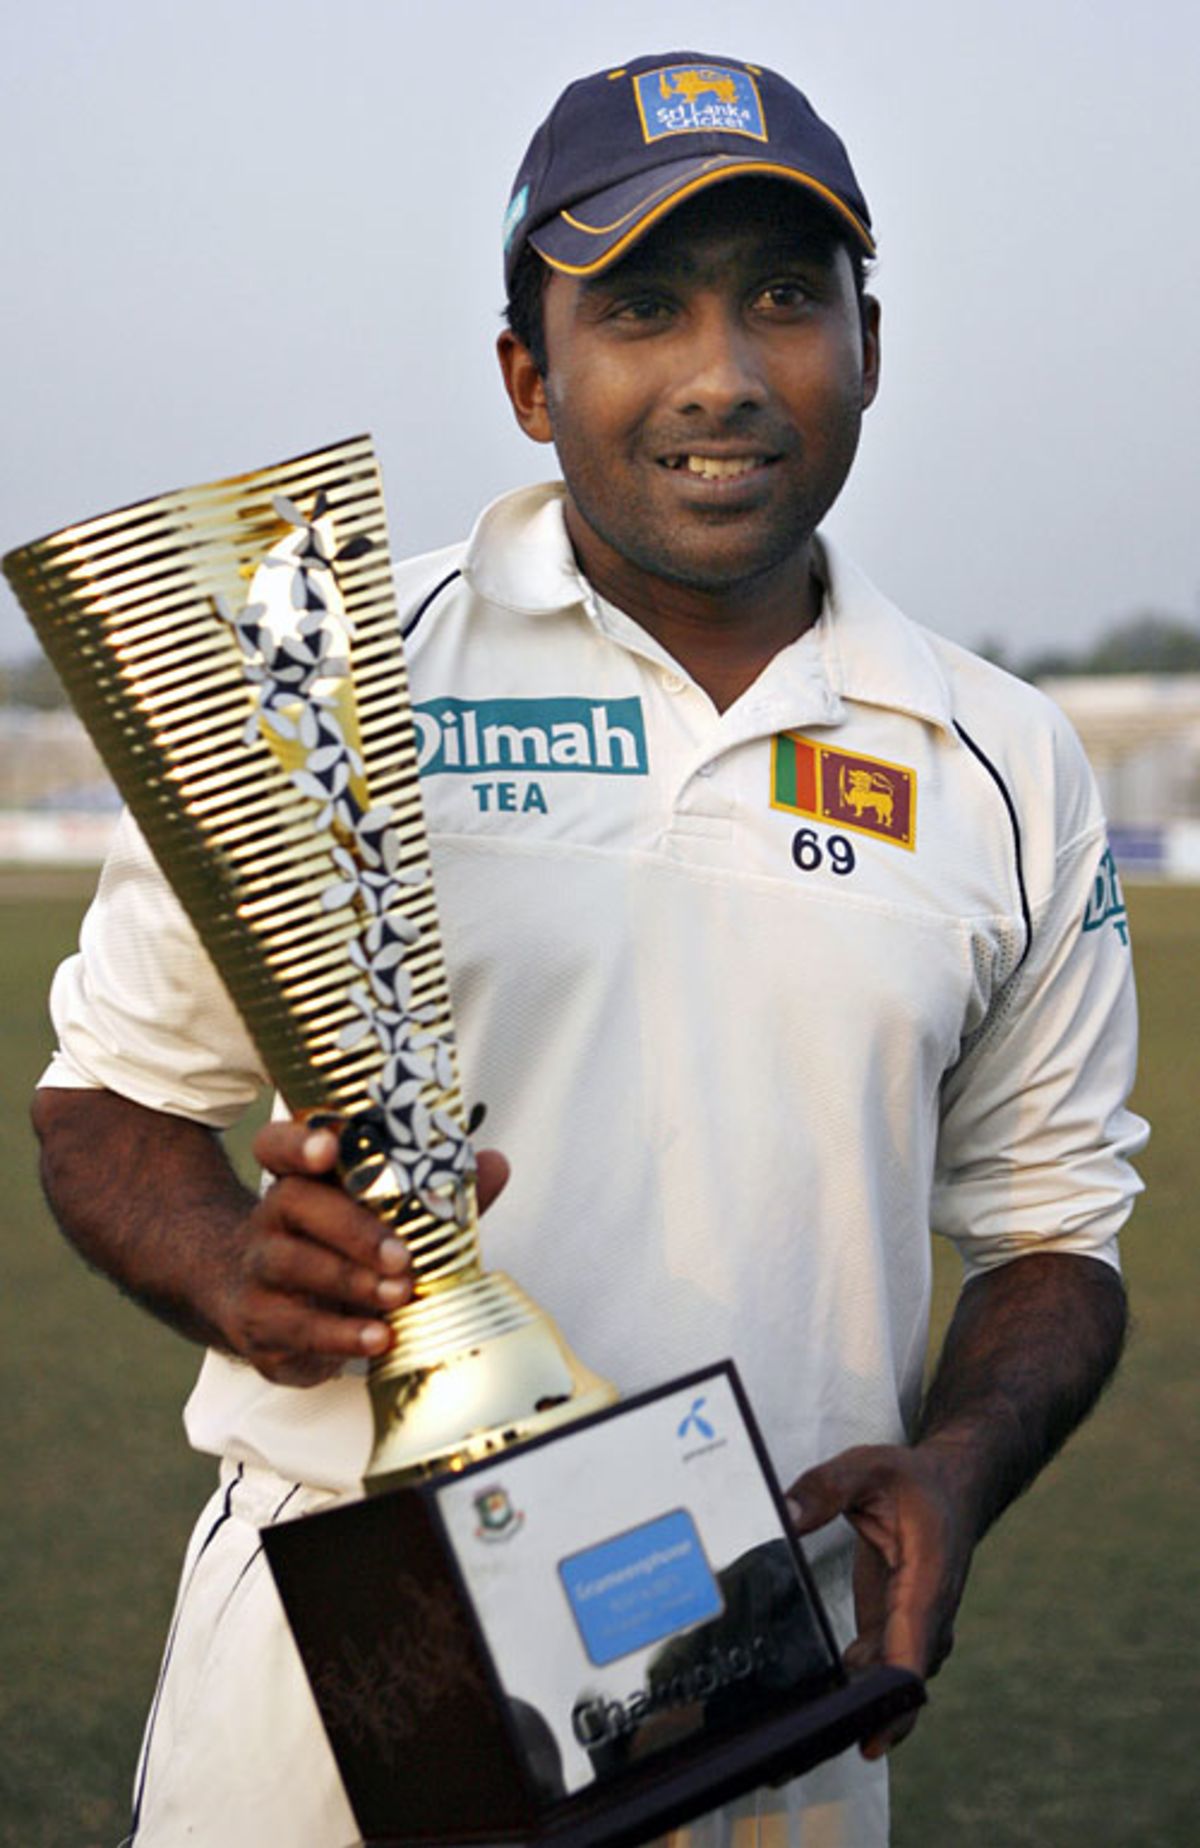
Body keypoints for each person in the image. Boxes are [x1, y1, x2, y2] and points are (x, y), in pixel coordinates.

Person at [32, 50, 1145, 1848]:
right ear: (528, 379)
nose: (723, 374)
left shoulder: (1003, 760)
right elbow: (108, 1105)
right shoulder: (328, 674)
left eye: (785, 297)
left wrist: (962, 1463)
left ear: (870, 344)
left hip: (765, 1681)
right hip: (344, 1669)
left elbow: (1053, 1230)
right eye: (639, 309)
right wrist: (229, 1263)